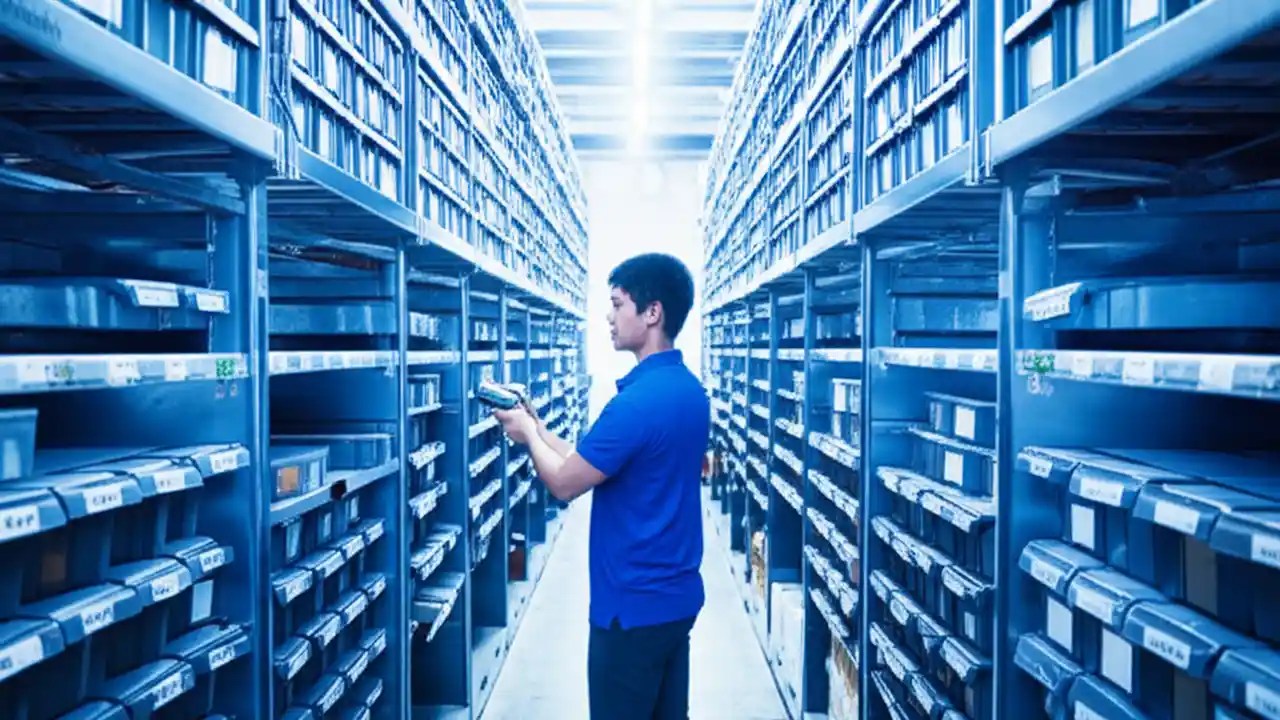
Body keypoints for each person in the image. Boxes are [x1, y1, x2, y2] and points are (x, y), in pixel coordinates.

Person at [493, 252, 710, 720]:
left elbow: (564, 484)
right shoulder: (689, 392)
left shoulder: (635, 406)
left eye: (617, 305)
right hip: (676, 599)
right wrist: (538, 423)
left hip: (631, 609)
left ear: (652, 313)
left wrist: (527, 437)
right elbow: (590, 460)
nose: (608, 318)